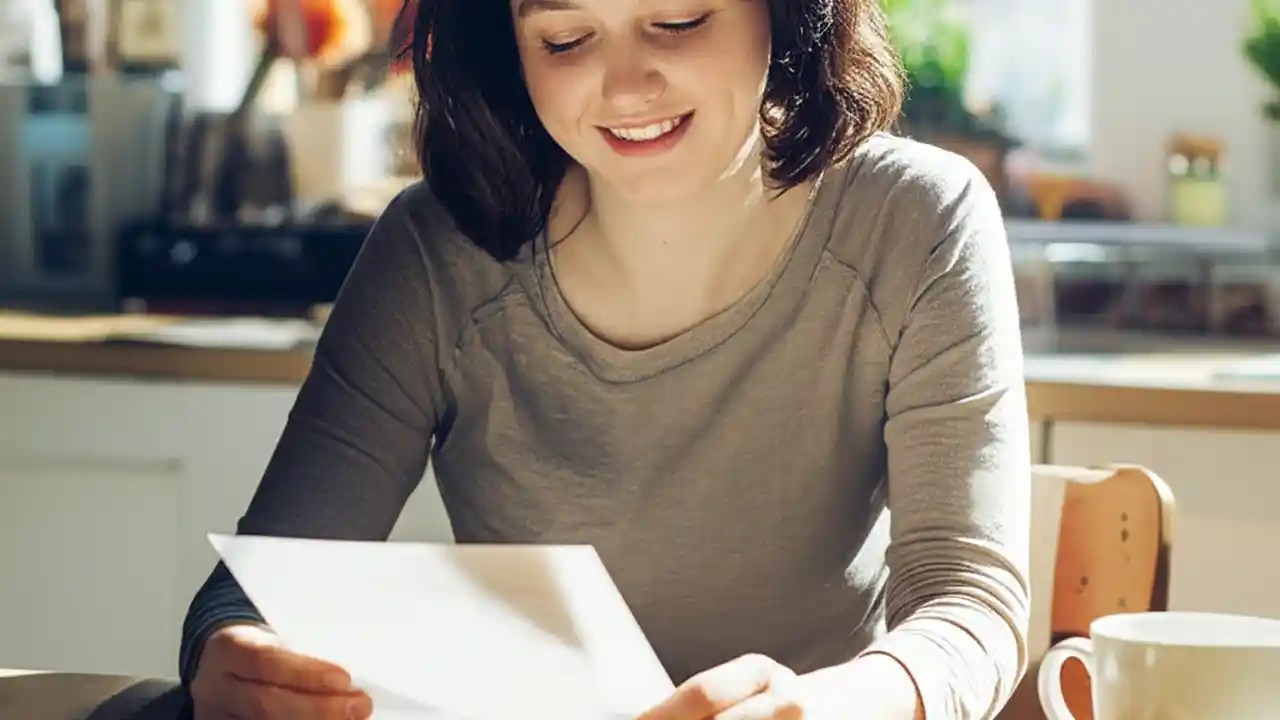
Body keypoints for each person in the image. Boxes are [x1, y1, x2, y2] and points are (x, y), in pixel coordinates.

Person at [180, 0, 1031, 717]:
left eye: (677, 20)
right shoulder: (436, 252)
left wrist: (841, 704)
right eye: (565, 39)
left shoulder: (915, 220)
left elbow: (971, 602)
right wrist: (234, 656)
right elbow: (256, 589)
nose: (625, 86)